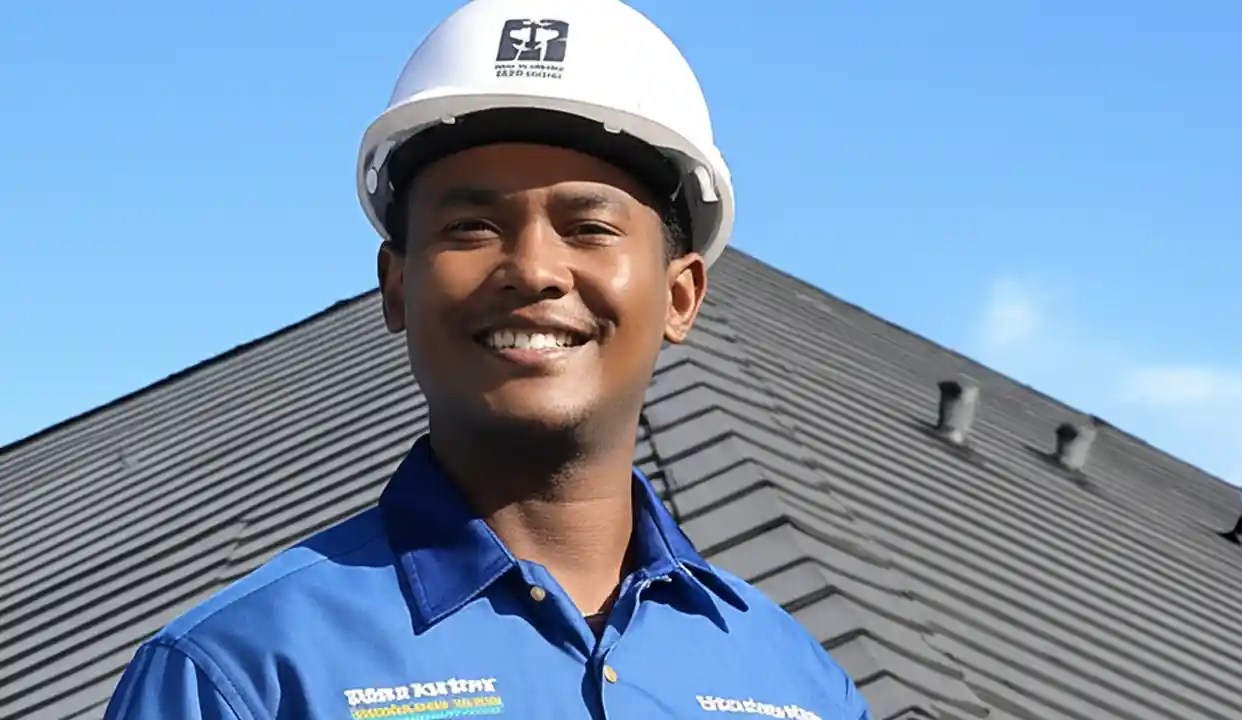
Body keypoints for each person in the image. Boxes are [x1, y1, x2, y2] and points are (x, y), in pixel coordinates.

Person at [105, 0, 872, 718]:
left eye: (589, 227)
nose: (533, 269)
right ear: (397, 287)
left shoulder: (800, 688)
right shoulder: (240, 676)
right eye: (471, 226)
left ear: (681, 296)